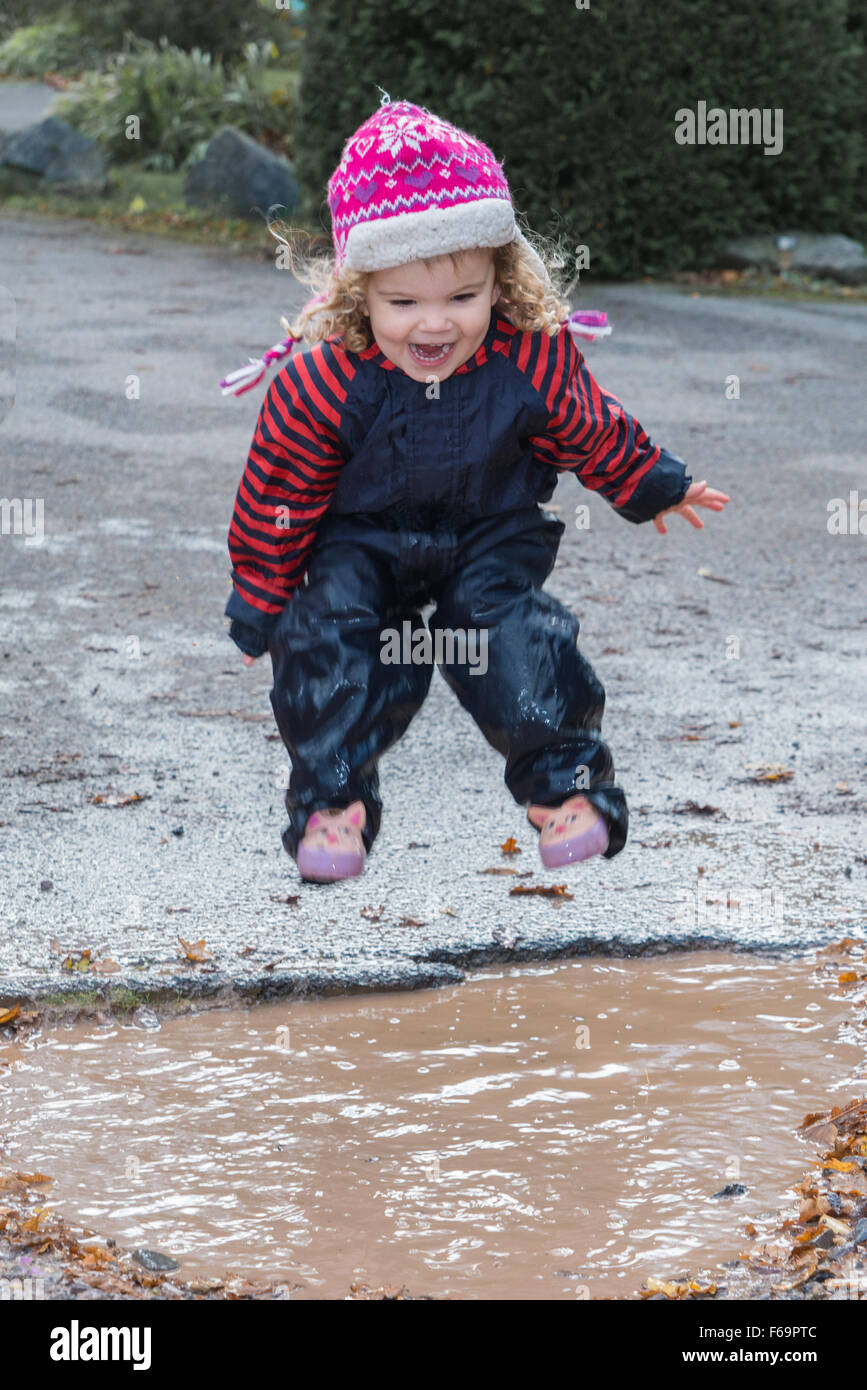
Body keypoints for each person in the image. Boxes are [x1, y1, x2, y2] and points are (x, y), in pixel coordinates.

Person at [220, 94, 729, 883]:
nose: (433, 325)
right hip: (361, 538)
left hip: (488, 534)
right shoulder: (326, 378)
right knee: (327, 628)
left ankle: (566, 790)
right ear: (359, 293)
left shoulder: (529, 357)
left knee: (512, 629)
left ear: (500, 280)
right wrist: (260, 600)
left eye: (461, 297)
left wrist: (651, 483)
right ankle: (332, 805)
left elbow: (587, 423)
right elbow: (279, 491)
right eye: (402, 302)